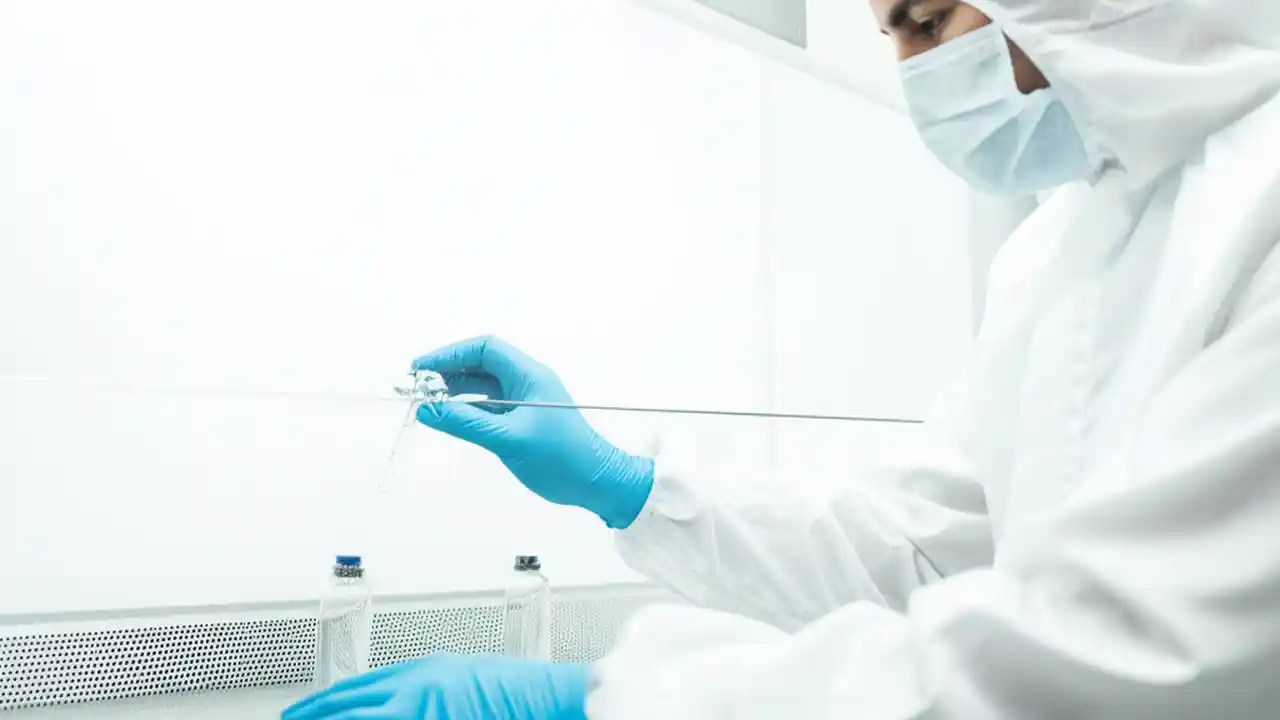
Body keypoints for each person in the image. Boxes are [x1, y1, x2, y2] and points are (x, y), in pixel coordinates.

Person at [284, 0, 1280, 717]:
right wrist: (631, 487)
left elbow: (1129, 658)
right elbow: (919, 553)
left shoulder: (1257, 202)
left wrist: (607, 697)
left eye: (926, 25)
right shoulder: (1055, 252)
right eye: (889, 36)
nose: (915, 75)